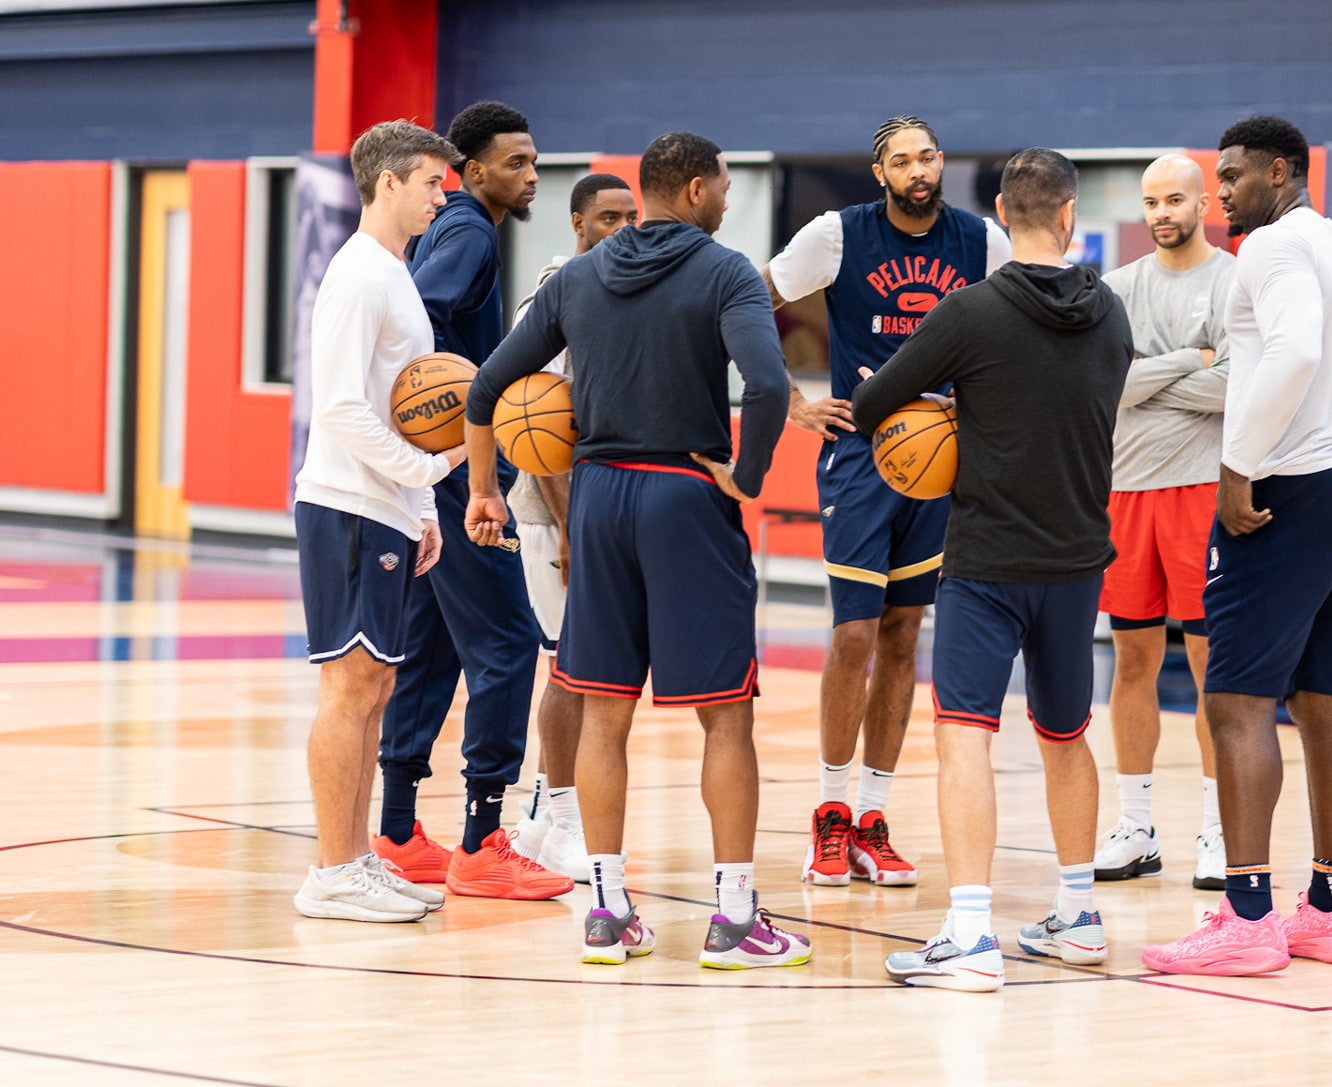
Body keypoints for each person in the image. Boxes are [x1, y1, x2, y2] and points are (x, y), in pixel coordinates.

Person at [464, 132, 809, 969]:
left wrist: (482, 491)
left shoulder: (577, 275)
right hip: (684, 492)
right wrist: (748, 475)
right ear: (693, 189)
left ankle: (609, 910)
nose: (728, 198)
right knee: (725, 713)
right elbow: (765, 384)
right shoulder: (726, 270)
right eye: (724, 184)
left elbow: (484, 387)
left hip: (598, 498)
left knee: (603, 708)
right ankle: (733, 918)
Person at [1142, 116, 1332, 978]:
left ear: (1281, 171)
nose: (1223, 191)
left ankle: (1246, 915)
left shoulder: (1273, 249)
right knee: (1323, 700)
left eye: (1233, 175)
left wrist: (1239, 466)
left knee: (1236, 700)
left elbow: (1296, 349)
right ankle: (1328, 907)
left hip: (1289, 488)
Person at [854, 148, 1132, 994]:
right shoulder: (1112, 311)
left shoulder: (970, 311)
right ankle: (1079, 915)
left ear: (1004, 218)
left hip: (986, 558)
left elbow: (870, 405)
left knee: (965, 735)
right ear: (1071, 218)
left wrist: (940, 408)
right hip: (1078, 555)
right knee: (1065, 733)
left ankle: (970, 931)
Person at [763, 115, 1011, 888]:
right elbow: (748, 299)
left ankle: (873, 818)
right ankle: (830, 813)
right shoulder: (838, 234)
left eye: (927, 156)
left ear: (941, 163)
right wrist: (790, 401)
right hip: (862, 458)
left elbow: (1013, 331)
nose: (917, 169)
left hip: (940, 463)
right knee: (854, 636)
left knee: (905, 636)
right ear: (879, 173)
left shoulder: (981, 241)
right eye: (901, 159)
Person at [372, 100, 569, 901]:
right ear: (472, 170)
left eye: (532, 161)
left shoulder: (458, 226)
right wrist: (451, 399)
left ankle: (394, 830)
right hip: (456, 471)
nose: (529, 174)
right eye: (515, 163)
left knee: (434, 647)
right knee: (512, 643)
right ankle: (484, 840)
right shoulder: (471, 230)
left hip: (438, 470)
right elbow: (417, 311)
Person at [291, 120, 464, 922]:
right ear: (387, 182)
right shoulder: (359, 274)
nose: (443, 194)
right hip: (348, 505)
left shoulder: (393, 271)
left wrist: (420, 505)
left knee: (377, 684)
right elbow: (341, 408)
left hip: (384, 505)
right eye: (432, 181)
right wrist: (426, 474)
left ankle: (355, 859)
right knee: (351, 686)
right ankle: (329, 872)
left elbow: (406, 409)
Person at [1092, 153, 1234, 890]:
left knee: (1214, 667)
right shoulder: (1115, 289)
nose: (1160, 212)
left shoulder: (1234, 280)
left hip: (1203, 492)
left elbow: (1240, 382)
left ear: (1203, 200)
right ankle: (1137, 825)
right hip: (1127, 492)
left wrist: (1154, 380)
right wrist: (1190, 360)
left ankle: (1215, 827)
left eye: (1174, 198)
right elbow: (1106, 385)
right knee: (1133, 663)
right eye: (1150, 201)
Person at [508, 173, 637, 885]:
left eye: (630, 216)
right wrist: (568, 530)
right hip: (555, 514)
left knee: (592, 672)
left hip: (604, 509)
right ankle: (559, 821)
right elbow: (538, 428)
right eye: (606, 217)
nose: (620, 227)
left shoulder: (623, 291)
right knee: (571, 666)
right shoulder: (561, 293)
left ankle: (536, 817)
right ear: (578, 224)